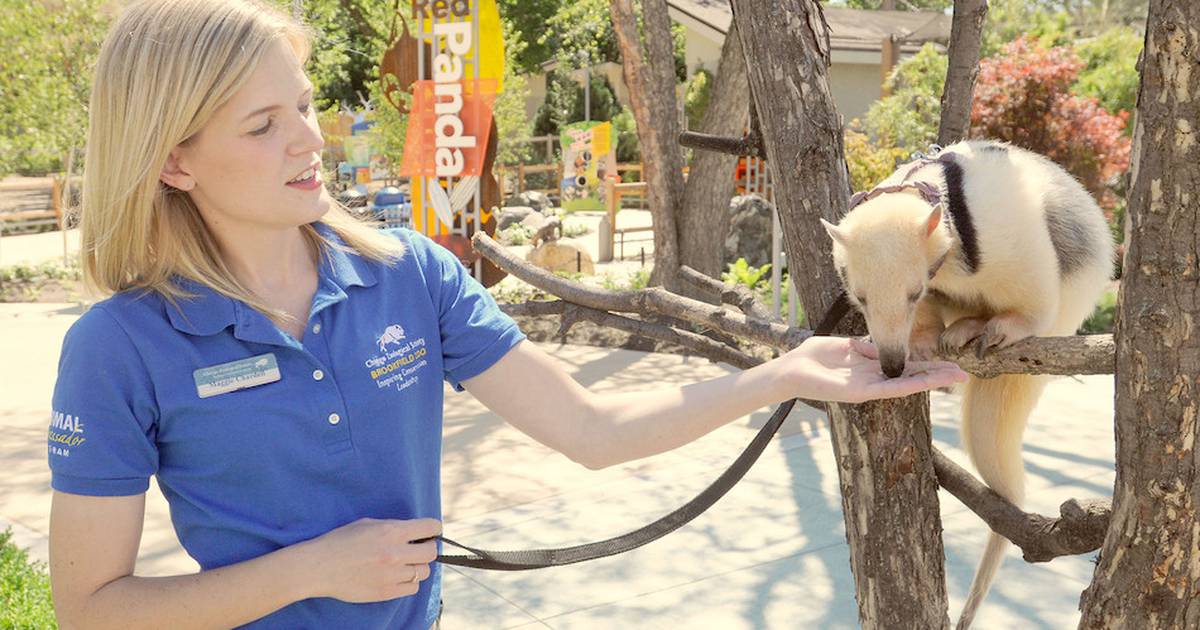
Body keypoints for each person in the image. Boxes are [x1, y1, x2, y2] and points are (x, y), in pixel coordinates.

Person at [46, 1, 969, 628]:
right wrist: (308, 572)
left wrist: (783, 375)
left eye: (305, 103)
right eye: (262, 126)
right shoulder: (118, 347)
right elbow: (89, 608)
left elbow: (593, 428)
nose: (310, 138)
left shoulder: (409, 275)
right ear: (174, 162)